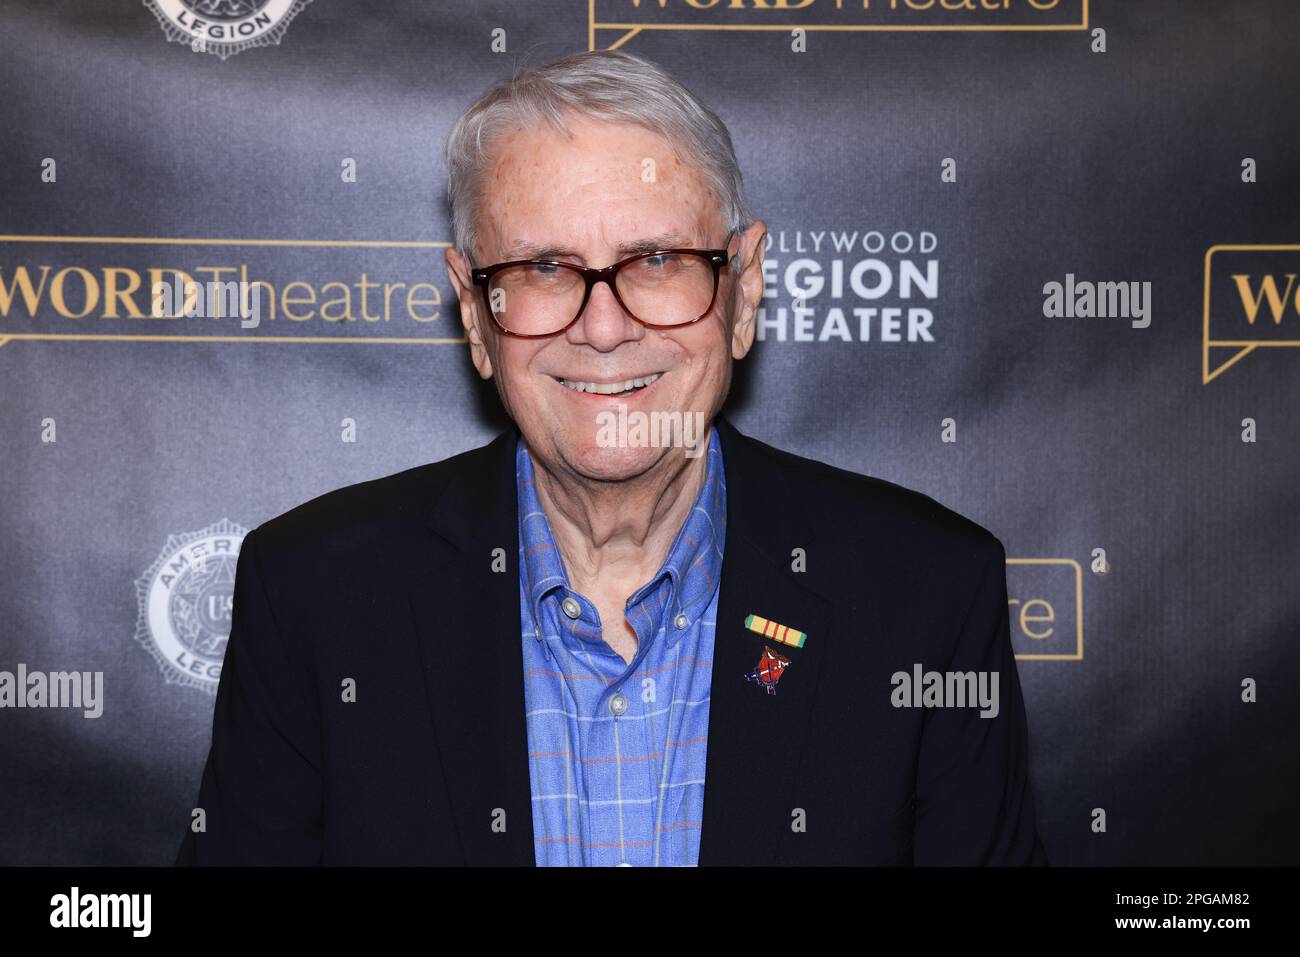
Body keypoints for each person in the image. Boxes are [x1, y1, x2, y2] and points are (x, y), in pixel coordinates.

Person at [177, 48, 1046, 866]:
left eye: (658, 259)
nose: (603, 327)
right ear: (476, 316)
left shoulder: (925, 595)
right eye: (547, 266)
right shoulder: (313, 597)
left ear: (742, 291)